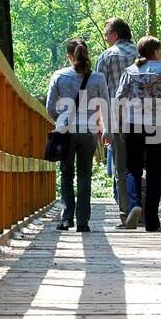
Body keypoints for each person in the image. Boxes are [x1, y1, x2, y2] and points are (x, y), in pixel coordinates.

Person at [46, 38, 109, 232]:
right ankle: (83, 221)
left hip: (67, 132)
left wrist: (62, 120)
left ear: (69, 56)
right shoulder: (98, 78)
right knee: (84, 175)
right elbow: (106, 107)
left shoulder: (59, 76)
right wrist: (106, 130)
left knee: (66, 173)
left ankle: (67, 218)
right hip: (88, 132)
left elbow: (49, 107)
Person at [115, 36, 161, 232]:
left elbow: (119, 97)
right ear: (155, 51)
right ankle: (152, 221)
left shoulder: (130, 71)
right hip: (157, 123)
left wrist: (121, 123)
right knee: (155, 172)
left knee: (133, 168)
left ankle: (135, 205)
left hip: (134, 124)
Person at [95, 18, 137, 225]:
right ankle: (143, 207)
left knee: (121, 167)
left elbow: (99, 93)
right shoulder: (143, 53)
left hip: (117, 116)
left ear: (115, 35)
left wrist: (101, 125)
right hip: (143, 117)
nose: (105, 38)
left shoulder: (107, 56)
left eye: (106, 34)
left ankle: (125, 212)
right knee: (139, 165)